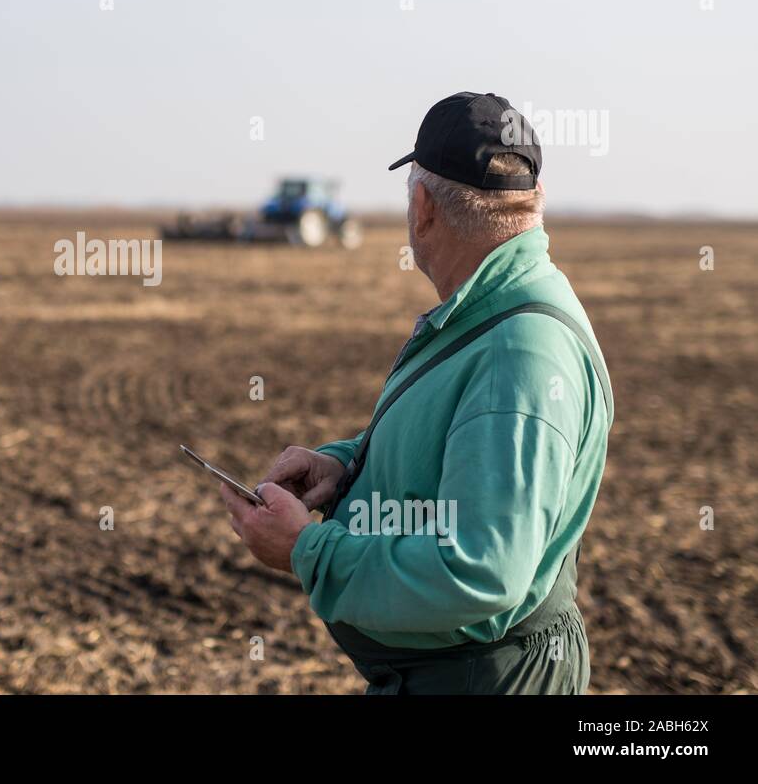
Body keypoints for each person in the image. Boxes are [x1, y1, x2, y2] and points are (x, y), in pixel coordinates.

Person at [221, 91, 614, 694]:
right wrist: (345, 464)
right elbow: (460, 437)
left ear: (424, 205)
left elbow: (482, 570)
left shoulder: (521, 352)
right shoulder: (493, 310)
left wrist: (308, 550)